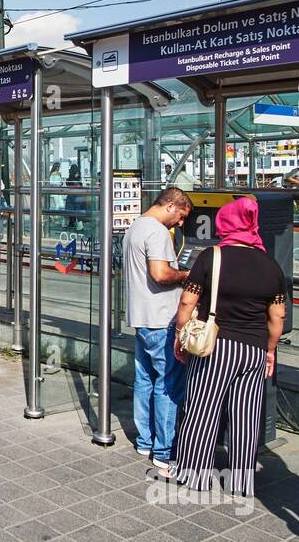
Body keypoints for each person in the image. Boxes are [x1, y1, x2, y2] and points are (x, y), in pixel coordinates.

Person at [173, 197, 287, 496]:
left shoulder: (212, 257)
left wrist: (180, 332)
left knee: (202, 410)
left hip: (216, 347)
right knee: (246, 416)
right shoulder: (270, 265)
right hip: (254, 351)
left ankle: (195, 475)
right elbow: (277, 315)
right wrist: (270, 349)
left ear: (225, 224)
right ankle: (239, 482)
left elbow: (188, 300)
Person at [122, 186, 191, 474]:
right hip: (161, 319)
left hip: (141, 318)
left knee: (144, 381)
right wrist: (187, 274)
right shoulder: (158, 232)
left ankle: (145, 440)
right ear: (171, 206)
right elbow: (161, 274)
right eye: (182, 215)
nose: (182, 222)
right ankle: (164, 452)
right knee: (167, 384)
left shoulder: (134, 227)